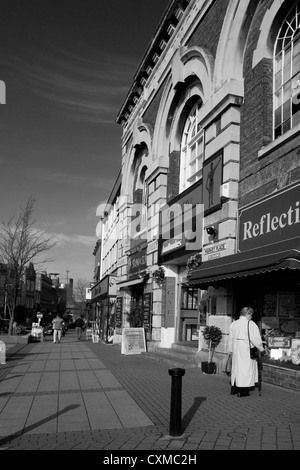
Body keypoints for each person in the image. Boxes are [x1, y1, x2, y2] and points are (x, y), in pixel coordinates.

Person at [228, 306, 265, 397]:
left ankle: (234, 388)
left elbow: (230, 339)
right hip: (246, 349)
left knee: (236, 368)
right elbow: (254, 338)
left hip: (236, 348)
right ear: (247, 314)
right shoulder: (251, 324)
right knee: (245, 369)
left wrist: (230, 350)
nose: (251, 316)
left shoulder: (234, 324)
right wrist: (261, 348)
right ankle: (243, 390)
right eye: (250, 314)